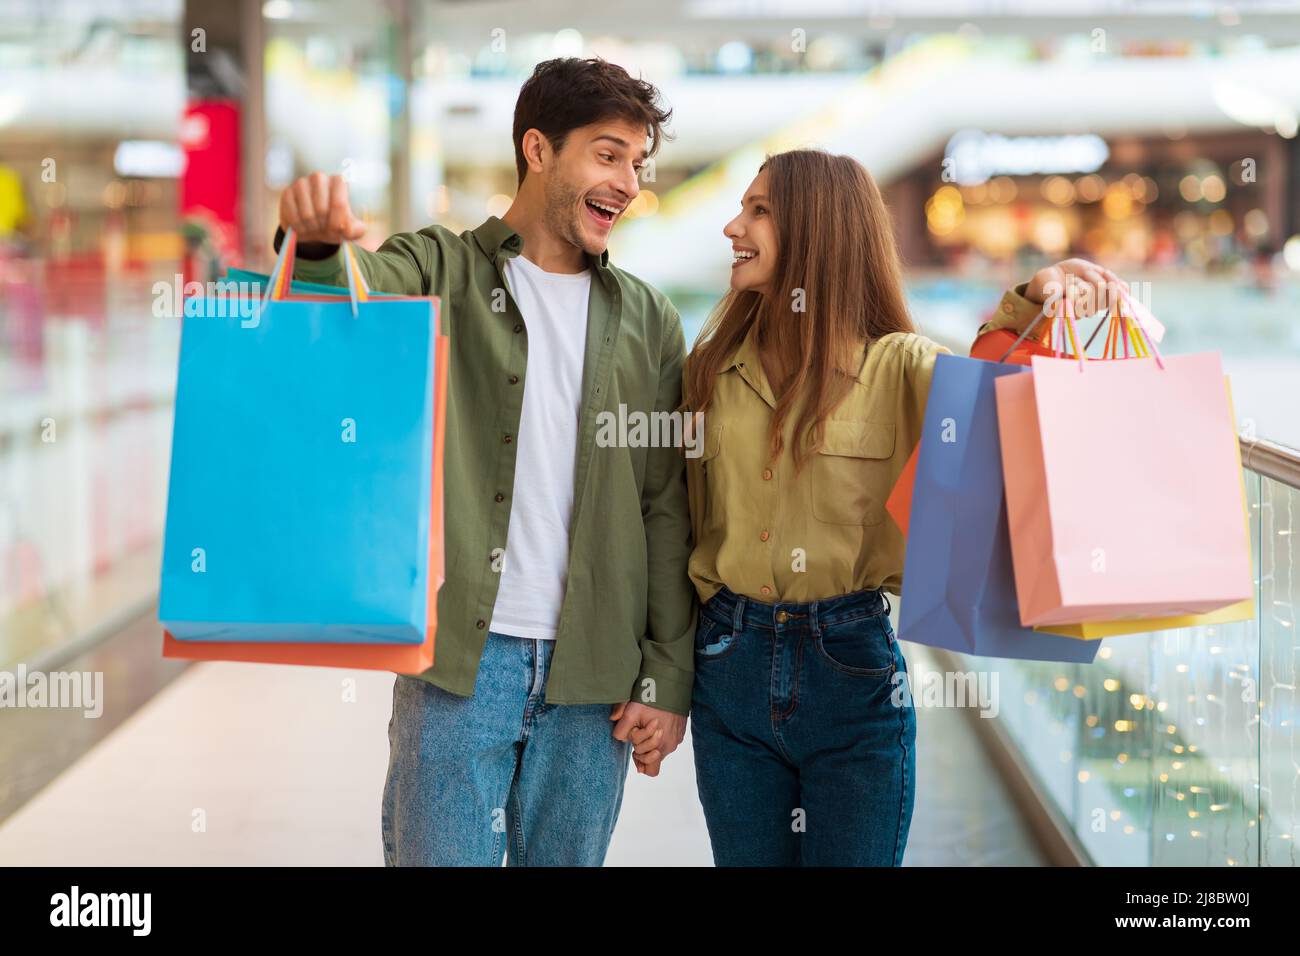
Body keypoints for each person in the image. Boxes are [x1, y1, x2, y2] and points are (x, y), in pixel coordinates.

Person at [274, 57, 693, 866]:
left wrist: (666, 678)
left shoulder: (649, 320)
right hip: (461, 669)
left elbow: (664, 506)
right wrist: (317, 245)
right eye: (608, 155)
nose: (629, 182)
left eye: (638, 163)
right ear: (538, 149)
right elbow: (342, 296)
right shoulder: (440, 266)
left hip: (594, 678)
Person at [679, 148, 1125, 866]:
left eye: (759, 210)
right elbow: (681, 523)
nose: (734, 226)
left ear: (817, 229)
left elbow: (991, 411)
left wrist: (1033, 300)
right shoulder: (712, 370)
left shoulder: (902, 366)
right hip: (727, 660)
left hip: (851, 667)